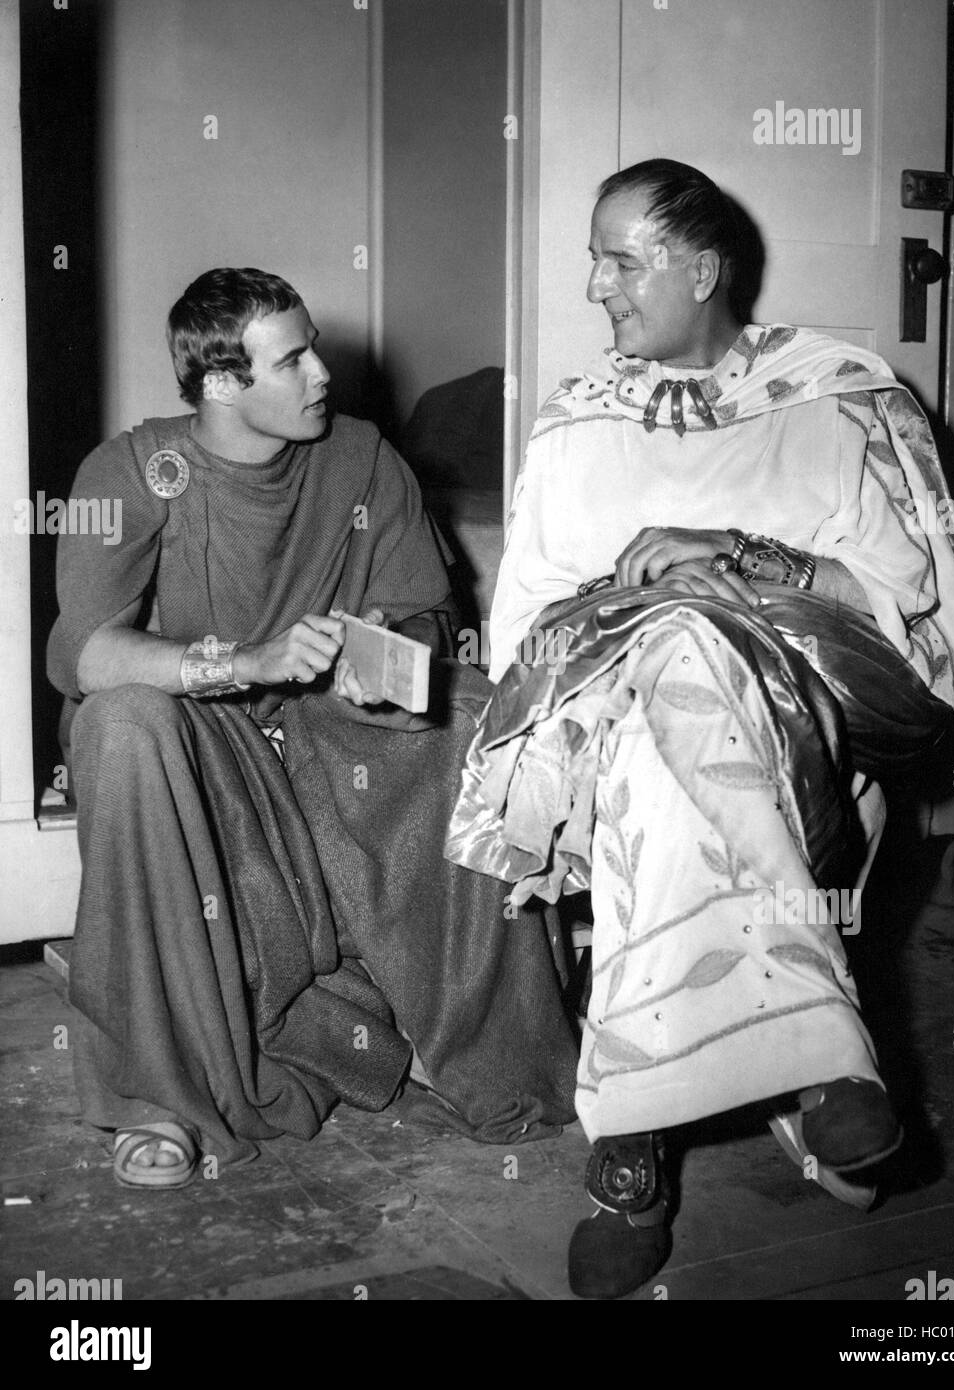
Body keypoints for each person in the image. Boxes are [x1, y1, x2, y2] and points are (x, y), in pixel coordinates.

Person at [446, 161, 954, 1299]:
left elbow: (912, 622)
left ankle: (631, 1149)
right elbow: (525, 638)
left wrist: (737, 563)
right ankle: (825, 1059)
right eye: (595, 260)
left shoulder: (836, 398)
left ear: (702, 269)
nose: (594, 286)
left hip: (810, 721)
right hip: (607, 722)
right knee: (668, 681)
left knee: (687, 675)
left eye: (620, 260)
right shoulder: (579, 421)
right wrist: (640, 611)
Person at [48, 267, 577, 1190]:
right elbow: (89, 655)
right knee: (121, 724)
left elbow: (426, 615)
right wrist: (247, 662)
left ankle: (487, 1056)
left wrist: (382, 653)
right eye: (291, 360)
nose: (321, 373)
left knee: (466, 709)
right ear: (222, 384)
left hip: (328, 730)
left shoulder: (362, 457)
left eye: (313, 350)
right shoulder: (132, 471)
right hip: (194, 734)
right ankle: (155, 1098)